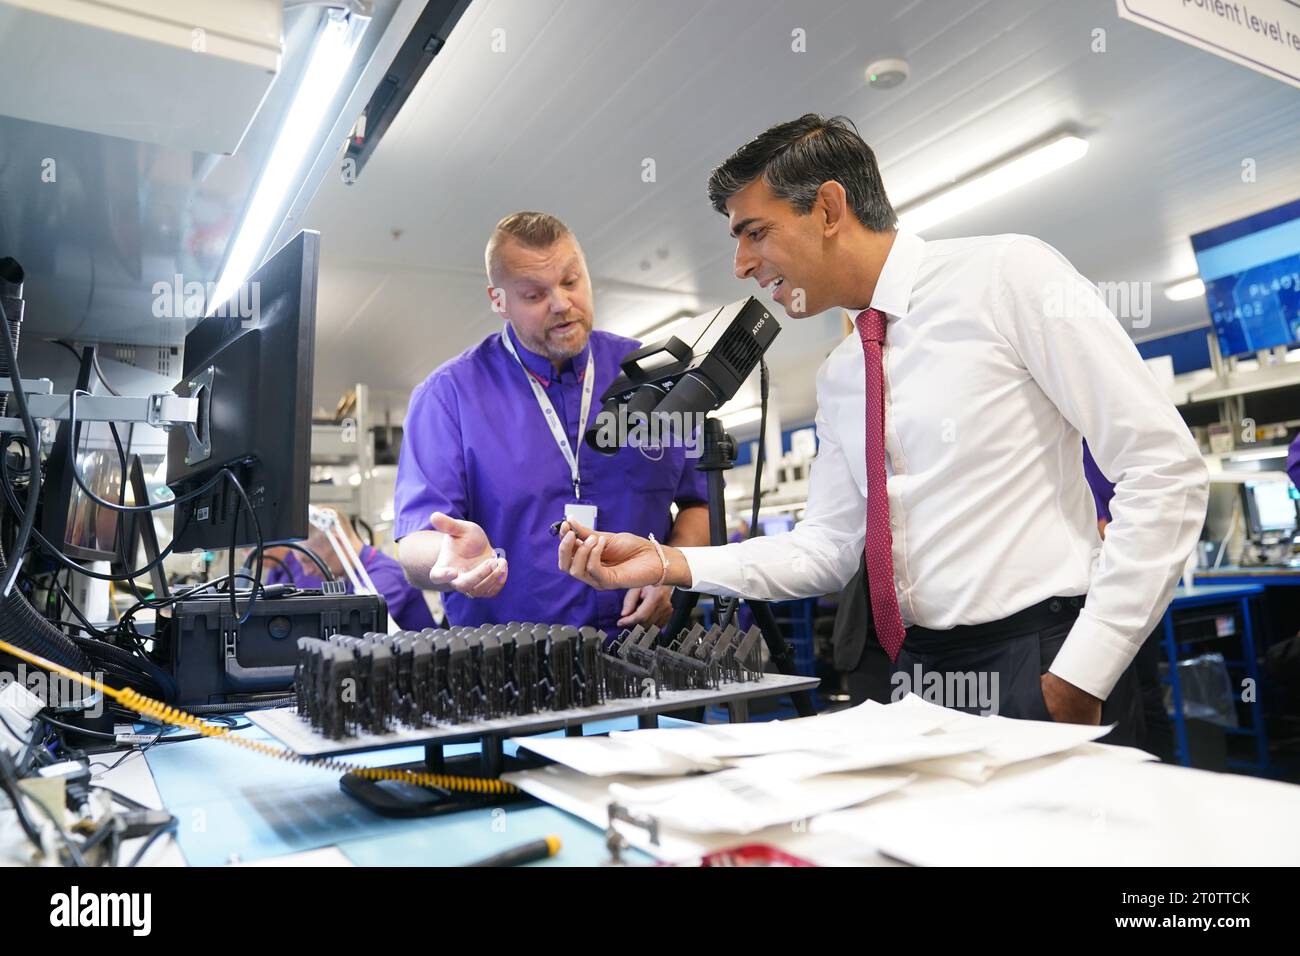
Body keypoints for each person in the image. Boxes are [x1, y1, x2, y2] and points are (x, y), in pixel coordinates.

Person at [557, 114, 1209, 743]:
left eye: (754, 231)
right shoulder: (843, 373)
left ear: (830, 209)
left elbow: (1164, 469)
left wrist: (1082, 673)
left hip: (1042, 657)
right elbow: (827, 549)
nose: (741, 264)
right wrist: (669, 562)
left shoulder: (1008, 276)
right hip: (918, 673)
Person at [394, 212, 709, 630]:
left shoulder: (654, 374)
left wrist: (672, 570)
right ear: (499, 301)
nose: (561, 304)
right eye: (534, 295)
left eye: (571, 281)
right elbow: (415, 542)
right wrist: (447, 559)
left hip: (650, 649)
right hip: (510, 662)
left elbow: (702, 502)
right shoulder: (447, 397)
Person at [261, 506, 437, 631]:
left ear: (336, 542)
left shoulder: (383, 577)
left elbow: (355, 637)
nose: (306, 572)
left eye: (308, 560)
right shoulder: (352, 576)